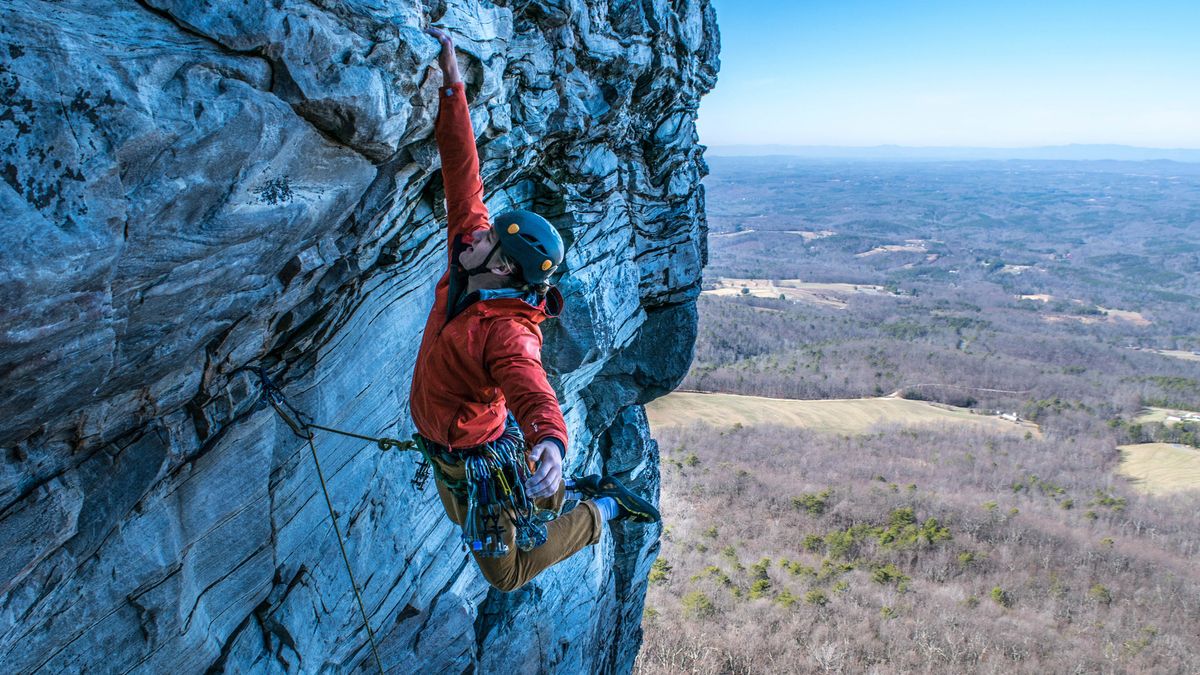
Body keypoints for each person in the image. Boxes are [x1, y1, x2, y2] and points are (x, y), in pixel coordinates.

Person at [410, 26, 660, 593]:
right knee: (480, 512)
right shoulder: (475, 259)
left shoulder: (507, 336)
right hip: (450, 446)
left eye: (489, 240)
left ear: (502, 269)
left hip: (476, 455)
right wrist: (453, 86)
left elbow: (532, 387)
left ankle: (603, 512)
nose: (476, 234)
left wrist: (549, 438)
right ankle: (555, 491)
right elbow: (462, 175)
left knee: (507, 572)